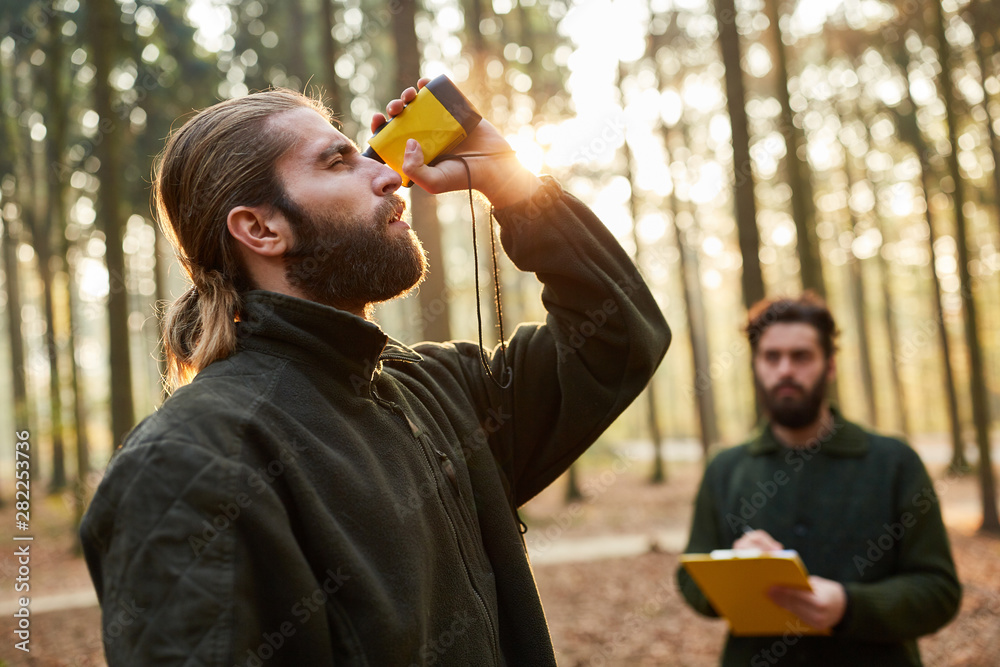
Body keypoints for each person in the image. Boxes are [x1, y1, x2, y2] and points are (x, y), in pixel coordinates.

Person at [79, 78, 670, 666]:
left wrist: (510, 183)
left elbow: (617, 338)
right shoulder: (191, 460)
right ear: (261, 229)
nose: (390, 175)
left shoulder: (441, 392)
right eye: (337, 163)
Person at [676, 293, 960, 665]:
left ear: (830, 366)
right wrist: (733, 567)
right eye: (771, 357)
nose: (785, 371)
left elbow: (939, 592)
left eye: (801, 356)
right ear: (756, 366)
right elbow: (690, 578)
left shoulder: (894, 462)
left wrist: (849, 606)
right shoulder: (725, 468)